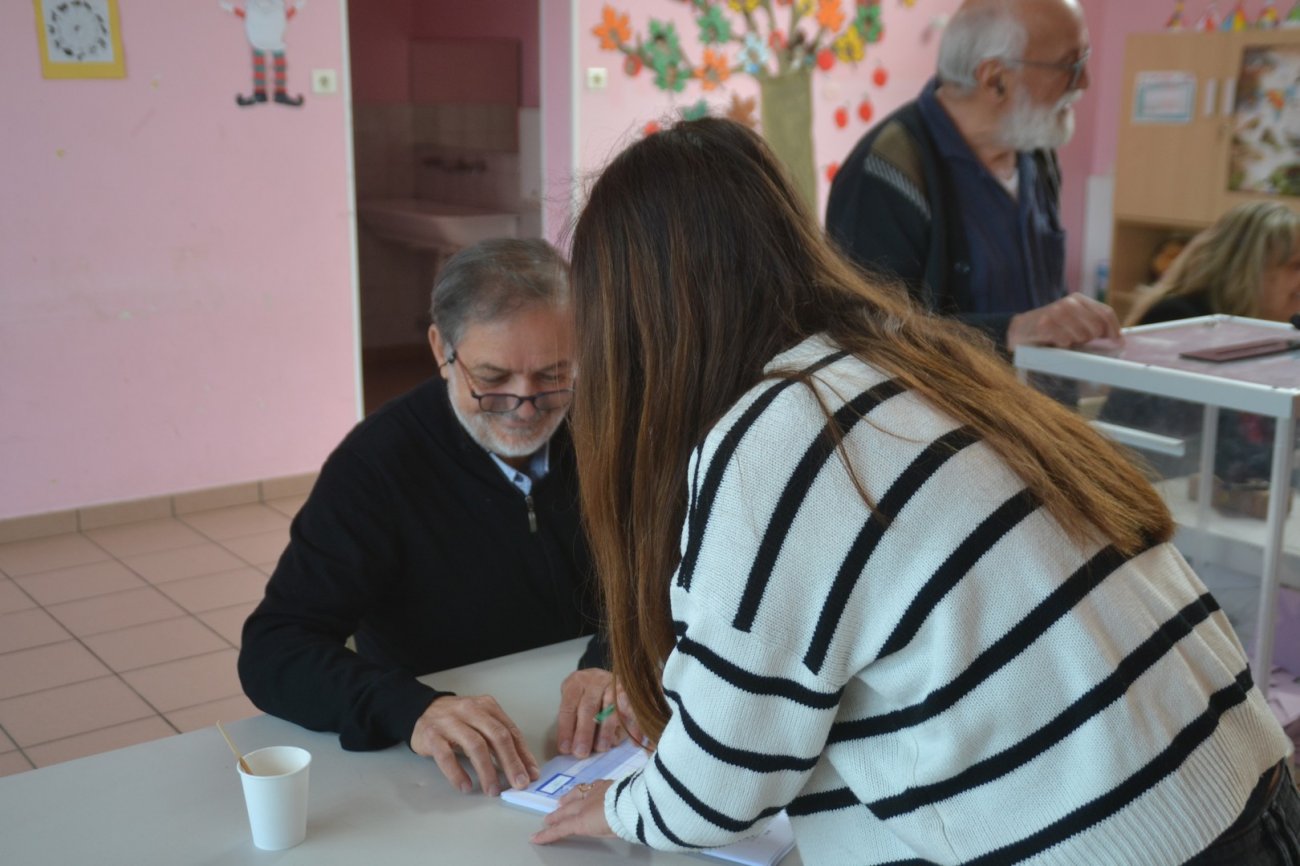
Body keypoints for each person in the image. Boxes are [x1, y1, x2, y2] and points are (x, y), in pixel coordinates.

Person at [530, 118, 1298, 865]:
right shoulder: (908, 355)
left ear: (632, 318)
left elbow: (721, 788)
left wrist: (624, 806)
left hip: (1133, 836)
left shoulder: (783, 432)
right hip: (1242, 785)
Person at [239, 238, 623, 798]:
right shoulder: (375, 467)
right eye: (491, 379)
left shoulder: (612, 426)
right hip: (458, 759)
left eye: (553, 375)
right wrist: (411, 708)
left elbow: (672, 567)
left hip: (598, 732)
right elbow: (275, 648)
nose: (524, 405)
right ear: (442, 349)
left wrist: (614, 656)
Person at [825, 0, 1119, 352]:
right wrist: (1007, 332)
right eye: (1069, 64)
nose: (1084, 81)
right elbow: (867, 332)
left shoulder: (1036, 152)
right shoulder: (886, 171)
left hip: (1036, 405)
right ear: (995, 80)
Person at [1103, 201, 1300, 484]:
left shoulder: (1274, 332)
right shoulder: (1180, 321)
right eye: (1296, 266)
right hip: (1154, 493)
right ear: (1250, 267)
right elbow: (1217, 454)